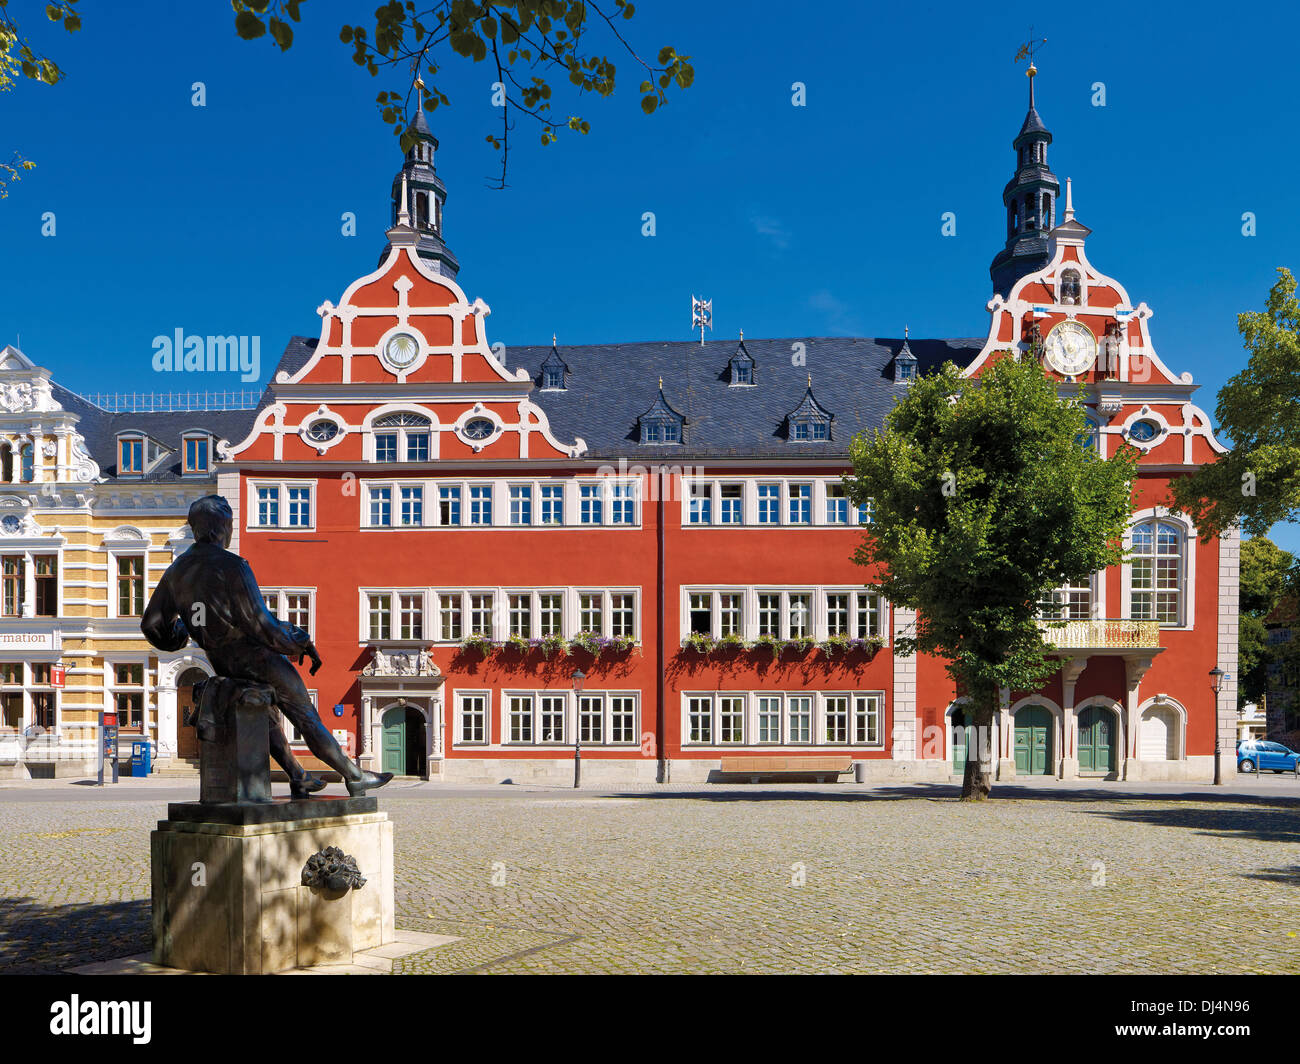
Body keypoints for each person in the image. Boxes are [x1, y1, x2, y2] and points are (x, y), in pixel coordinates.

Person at [142, 495, 391, 797]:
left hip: (221, 661)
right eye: (230, 524)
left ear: (195, 528)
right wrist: (299, 642)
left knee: (266, 714)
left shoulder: (176, 572)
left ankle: (298, 775)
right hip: (255, 657)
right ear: (223, 526)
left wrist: (182, 633)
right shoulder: (232, 565)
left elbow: (152, 625)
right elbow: (260, 624)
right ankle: (353, 775)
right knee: (305, 715)